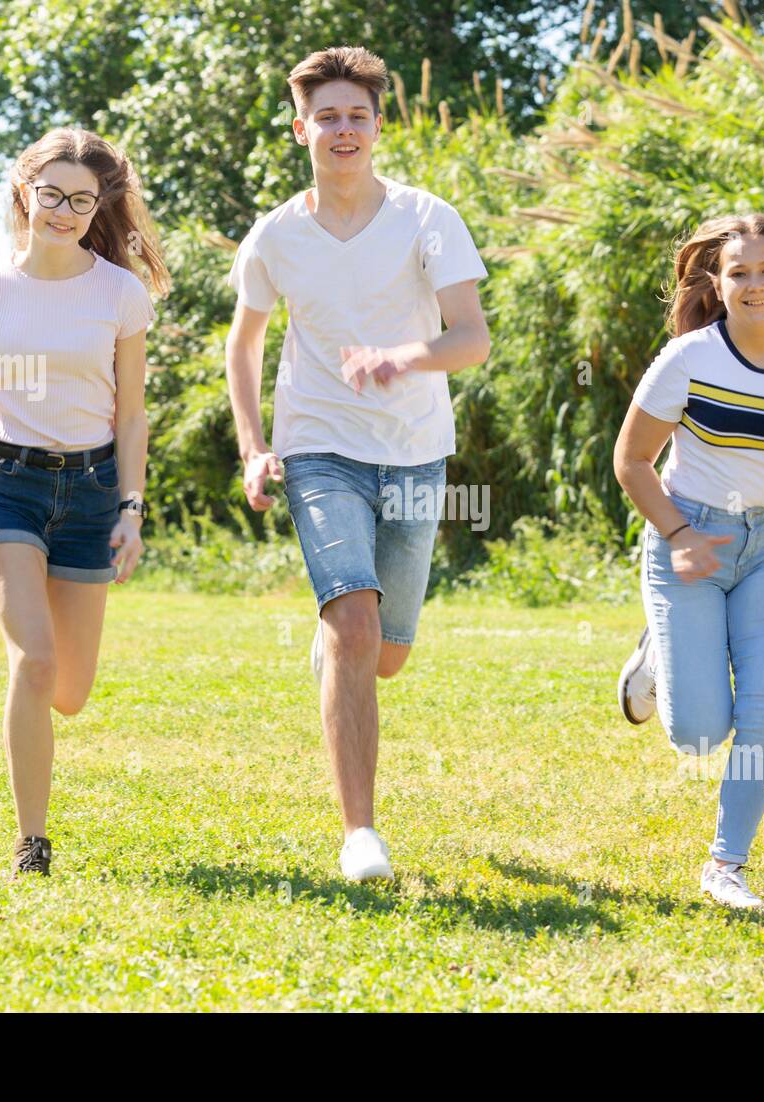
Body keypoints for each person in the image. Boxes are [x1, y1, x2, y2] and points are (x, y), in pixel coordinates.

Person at [225, 46, 491, 882]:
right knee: (353, 623)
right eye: (327, 116)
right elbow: (244, 343)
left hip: (415, 453)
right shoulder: (276, 233)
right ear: (301, 127)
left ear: (378, 126)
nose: (344, 129)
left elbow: (471, 338)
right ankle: (360, 835)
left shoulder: (427, 218)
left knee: (387, 651)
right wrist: (254, 447)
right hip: (318, 448)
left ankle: (342, 644)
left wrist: (401, 358)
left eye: (358, 115)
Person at [0, 128, 170, 881]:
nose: (63, 211)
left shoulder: (120, 294)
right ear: (25, 193)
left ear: (99, 206)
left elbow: (130, 415)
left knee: (70, 692)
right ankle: (33, 841)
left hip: (92, 495)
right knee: (33, 664)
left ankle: (42, 721)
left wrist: (132, 508)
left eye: (81, 200)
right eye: (51, 195)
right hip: (6, 489)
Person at [613, 214, 764, 910]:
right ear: (718, 286)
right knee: (697, 734)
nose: (755, 284)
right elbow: (631, 463)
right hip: (689, 539)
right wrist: (680, 534)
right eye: (739, 272)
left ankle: (726, 866)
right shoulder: (689, 359)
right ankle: (656, 658)